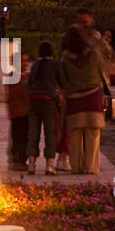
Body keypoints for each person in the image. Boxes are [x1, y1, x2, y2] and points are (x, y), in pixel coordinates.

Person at [60, 25, 110, 174]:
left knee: (75, 136)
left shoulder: (65, 57)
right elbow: (104, 72)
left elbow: (62, 78)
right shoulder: (94, 54)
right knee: (93, 136)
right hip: (93, 98)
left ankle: (76, 167)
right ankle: (91, 167)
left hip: (74, 100)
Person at [26, 40, 66, 174]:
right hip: (48, 101)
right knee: (50, 133)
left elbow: (30, 83)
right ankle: (49, 165)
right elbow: (62, 82)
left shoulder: (35, 64)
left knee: (33, 132)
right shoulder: (55, 64)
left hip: (33, 101)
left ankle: (32, 163)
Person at [6, 52, 32, 171]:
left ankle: (22, 159)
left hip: (27, 112)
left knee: (25, 136)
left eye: (26, 60)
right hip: (17, 112)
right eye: (22, 61)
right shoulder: (12, 76)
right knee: (17, 137)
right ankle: (16, 159)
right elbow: (14, 95)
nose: (25, 63)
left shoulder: (28, 76)